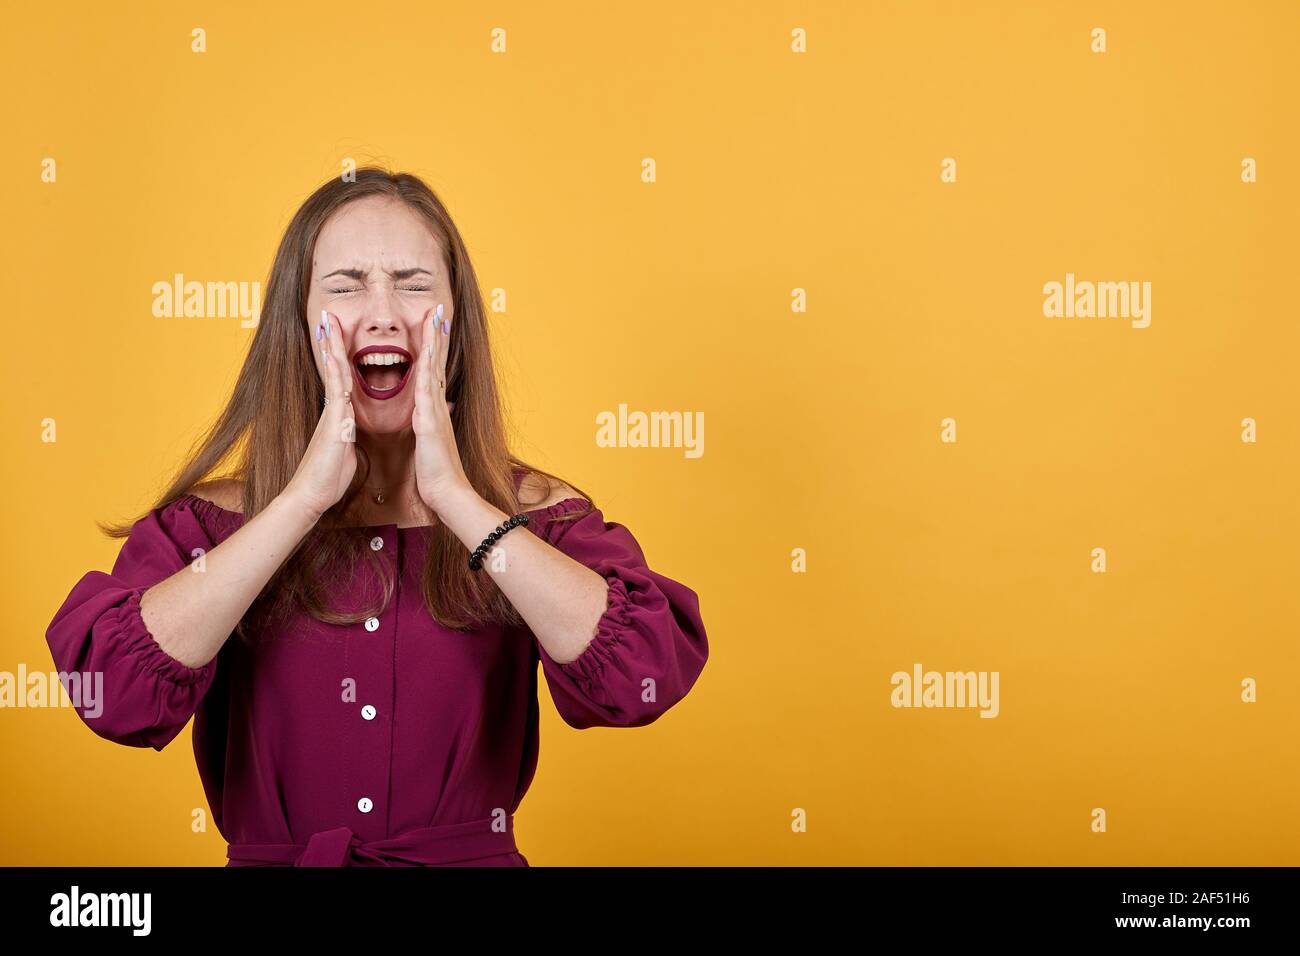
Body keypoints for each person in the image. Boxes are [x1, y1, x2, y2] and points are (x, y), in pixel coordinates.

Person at [45, 167, 709, 867]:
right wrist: (300, 501)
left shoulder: (534, 519)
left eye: (415, 283)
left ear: (458, 323)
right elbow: (114, 695)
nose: (385, 313)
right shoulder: (207, 527)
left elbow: (642, 676)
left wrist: (459, 498)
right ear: (297, 324)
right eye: (346, 283)